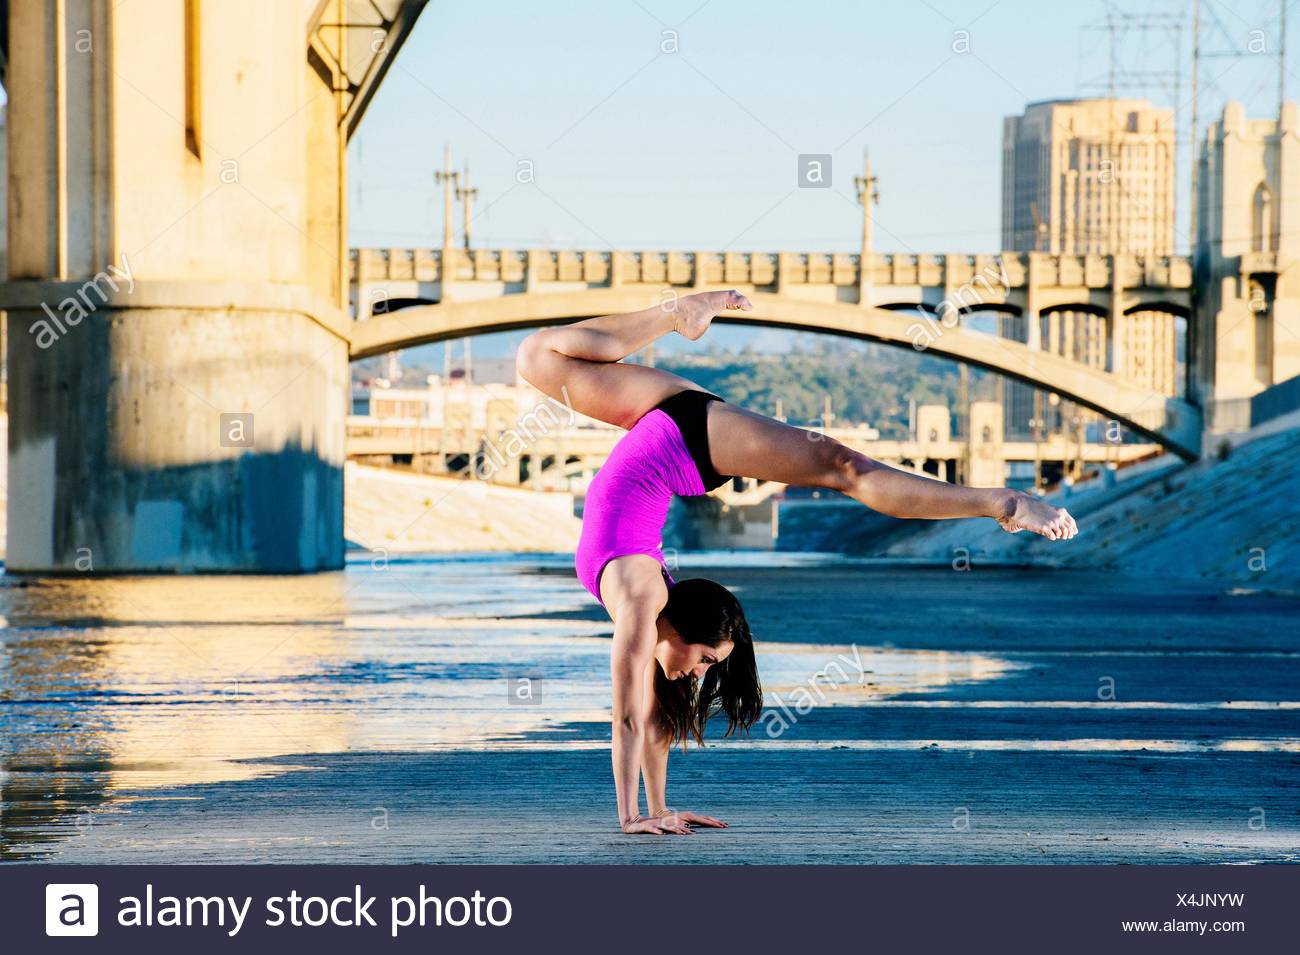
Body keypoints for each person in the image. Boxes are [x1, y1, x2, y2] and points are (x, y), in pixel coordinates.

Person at [515, 290, 1078, 835]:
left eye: (707, 660)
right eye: (711, 661)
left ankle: (1004, 502)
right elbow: (651, 717)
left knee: (843, 467)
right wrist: (651, 812)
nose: (701, 672)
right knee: (536, 356)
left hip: (675, 434)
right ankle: (676, 312)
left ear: (679, 625)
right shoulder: (647, 601)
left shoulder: (641, 602)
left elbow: (630, 719)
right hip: (661, 422)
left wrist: (634, 816)